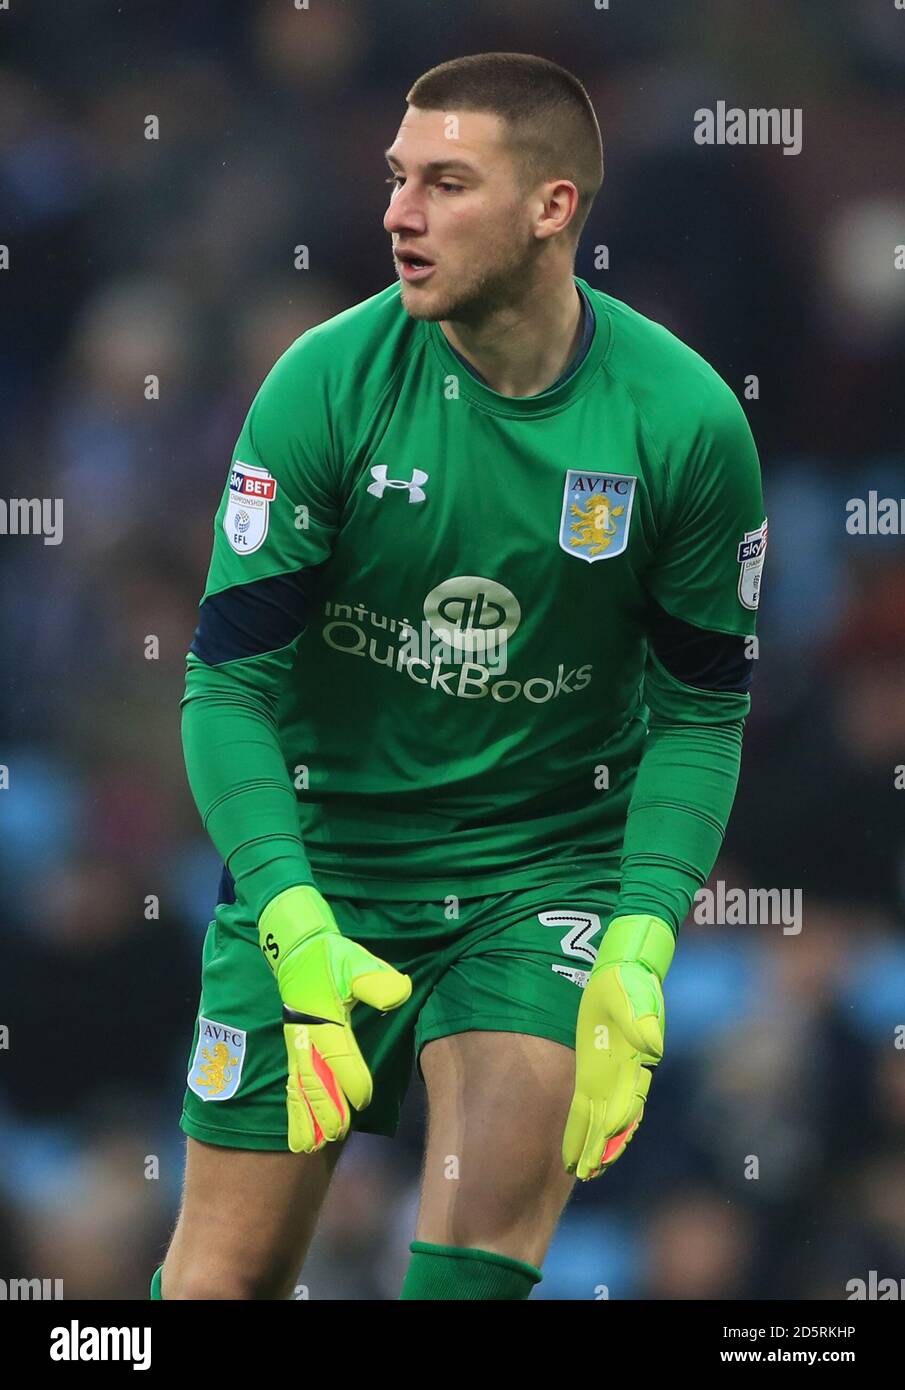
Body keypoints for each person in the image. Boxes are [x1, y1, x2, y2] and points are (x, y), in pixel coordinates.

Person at [155, 51, 766, 1301]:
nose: (396, 212)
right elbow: (223, 688)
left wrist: (642, 935)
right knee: (217, 1284)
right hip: (322, 872)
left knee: (465, 1275)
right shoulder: (324, 384)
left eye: (443, 182)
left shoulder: (687, 423)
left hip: (535, 877)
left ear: (552, 208)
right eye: (393, 179)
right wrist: (287, 909)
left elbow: (700, 709)